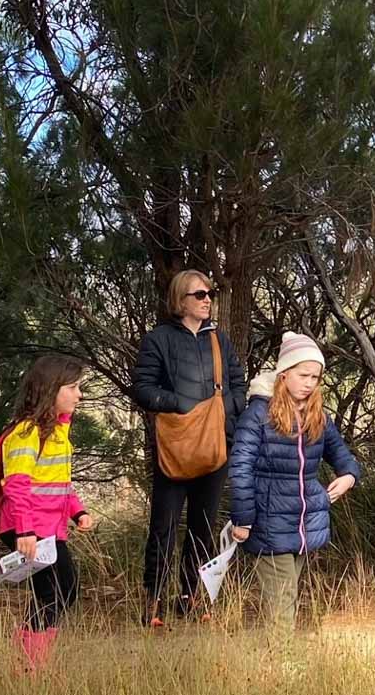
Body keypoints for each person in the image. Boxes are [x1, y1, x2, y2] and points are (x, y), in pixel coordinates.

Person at [130, 269, 248, 628]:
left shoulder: (219, 341)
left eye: (210, 293)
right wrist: (178, 404)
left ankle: (192, 597)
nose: (208, 299)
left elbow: (239, 385)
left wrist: (226, 411)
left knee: (203, 527)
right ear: (181, 300)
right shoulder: (159, 339)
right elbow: (142, 388)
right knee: (163, 527)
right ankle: (154, 600)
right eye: (199, 294)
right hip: (176, 448)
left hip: (214, 447)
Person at [229, 333, 361, 634]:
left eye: (315, 377)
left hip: (304, 522)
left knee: (287, 593)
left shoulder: (318, 416)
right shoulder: (258, 415)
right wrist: (244, 519)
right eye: (303, 375)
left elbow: (342, 455)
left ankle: (278, 659)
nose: (309, 383)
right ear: (284, 373)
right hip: (267, 521)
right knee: (282, 595)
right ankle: (281, 664)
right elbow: (240, 468)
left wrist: (349, 476)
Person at [0, 355, 96, 672]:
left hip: (48, 529)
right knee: (54, 591)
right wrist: (25, 531)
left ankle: (33, 662)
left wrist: (77, 512)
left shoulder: (59, 433)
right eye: (74, 387)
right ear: (52, 389)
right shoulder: (25, 434)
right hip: (30, 529)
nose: (79, 395)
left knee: (62, 590)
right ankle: (29, 667)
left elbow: (59, 484)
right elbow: (17, 486)